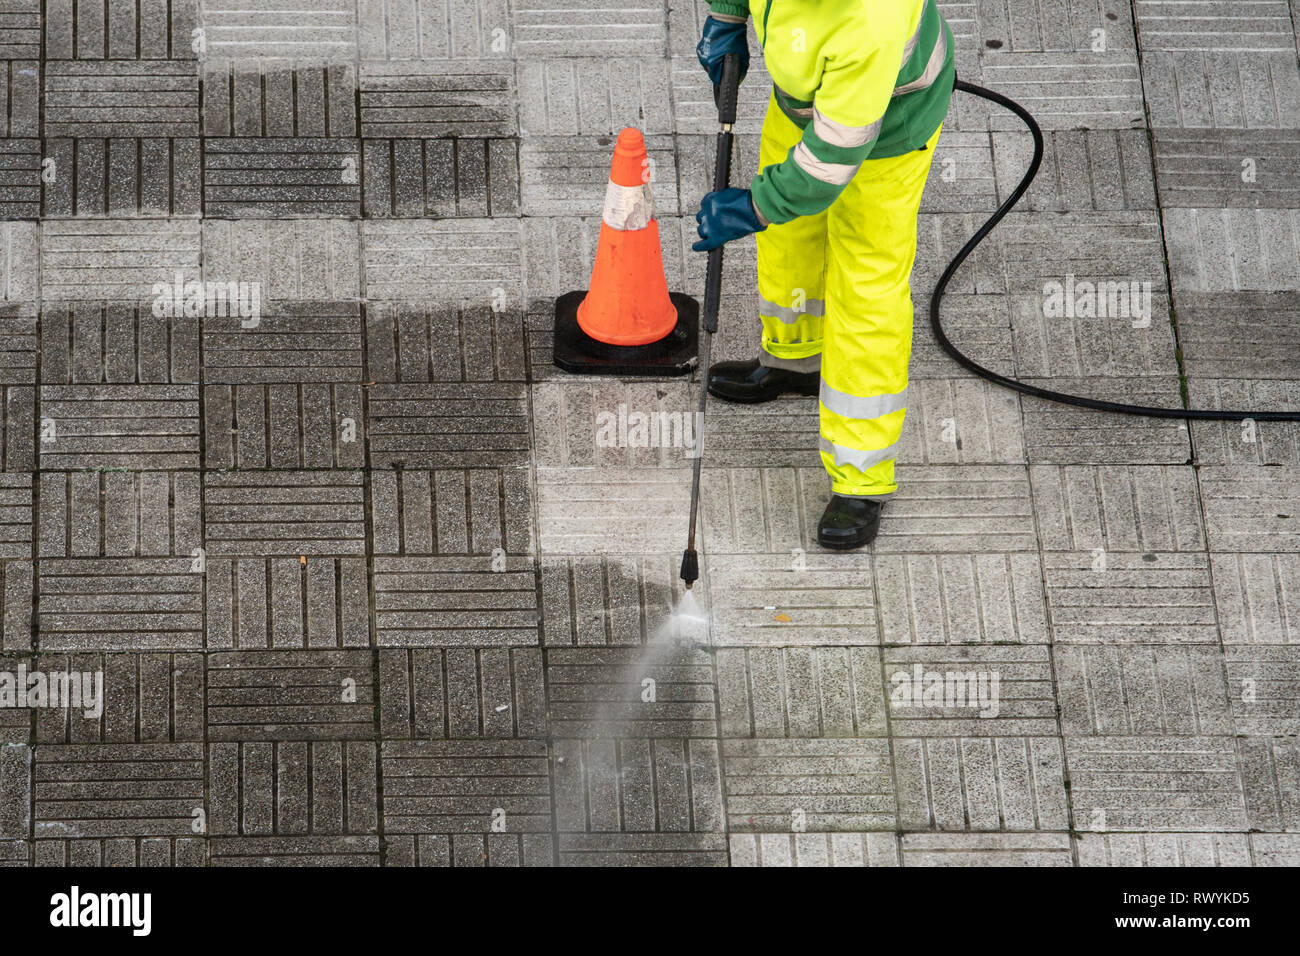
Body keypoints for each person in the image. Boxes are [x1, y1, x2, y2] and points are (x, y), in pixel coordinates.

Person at [694, 0, 955, 549]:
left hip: (886, 133)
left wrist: (751, 207)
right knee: (790, 237)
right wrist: (727, 14)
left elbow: (827, 166)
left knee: (865, 291)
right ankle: (796, 360)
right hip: (805, 104)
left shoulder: (870, 19)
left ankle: (861, 478)